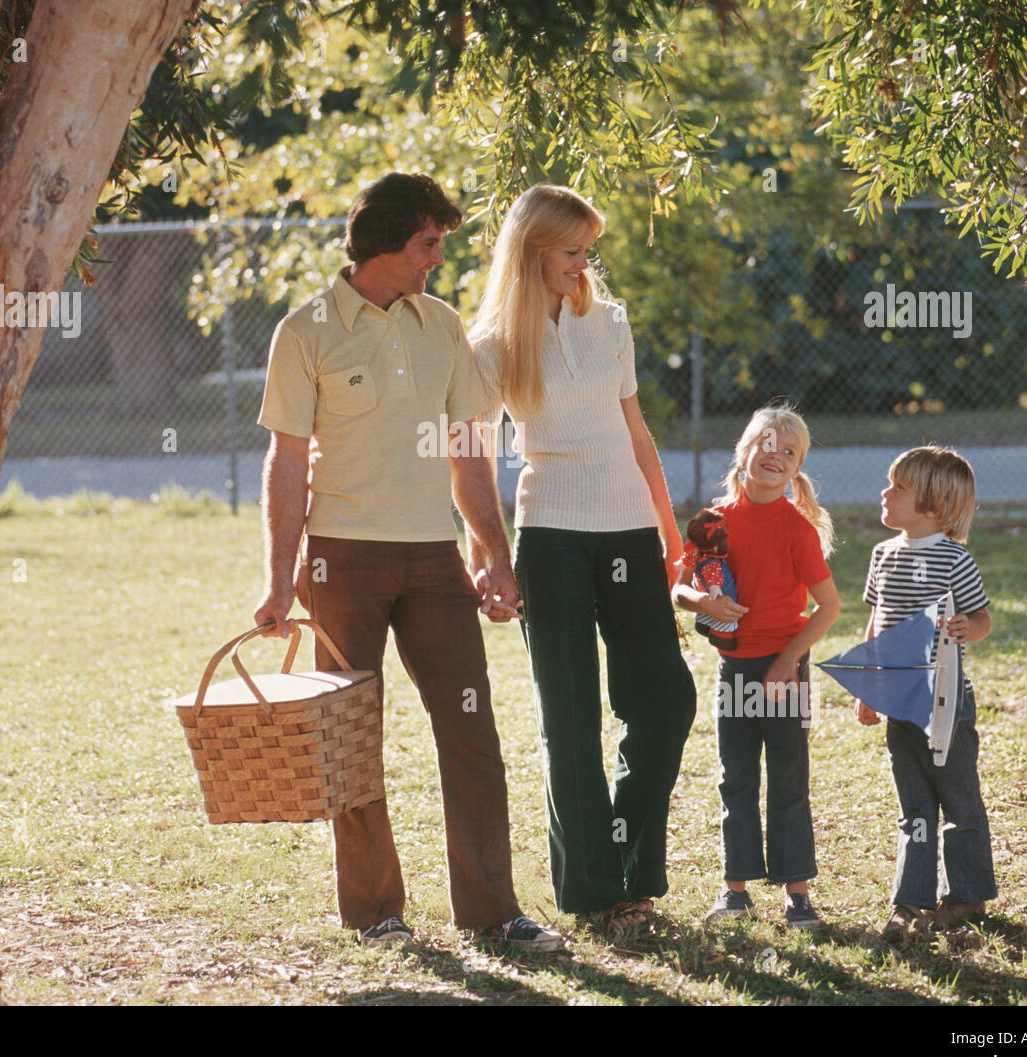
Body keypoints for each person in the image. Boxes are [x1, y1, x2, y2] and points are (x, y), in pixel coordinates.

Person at [253, 172, 560, 950]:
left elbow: (468, 450)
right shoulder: (306, 330)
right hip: (340, 563)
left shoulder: (442, 326)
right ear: (388, 240)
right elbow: (286, 463)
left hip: (433, 561)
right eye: (429, 243)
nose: (436, 259)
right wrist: (277, 579)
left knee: (471, 732)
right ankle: (375, 912)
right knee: (351, 735)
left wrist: (494, 555)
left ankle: (492, 910)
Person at [468, 184, 695, 935]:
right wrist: (491, 555)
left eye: (587, 249)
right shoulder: (494, 344)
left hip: (630, 529)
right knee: (570, 720)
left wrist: (671, 537)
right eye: (572, 250)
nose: (583, 262)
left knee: (663, 703)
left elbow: (637, 436)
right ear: (533, 251)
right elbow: (468, 457)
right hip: (551, 537)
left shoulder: (612, 323)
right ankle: (599, 893)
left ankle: (633, 868)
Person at [673, 403, 840, 929]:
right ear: (744, 452)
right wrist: (705, 604)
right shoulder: (711, 522)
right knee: (736, 778)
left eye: (789, 452)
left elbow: (828, 607)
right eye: (767, 446)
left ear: (796, 469)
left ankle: (798, 895)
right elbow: (679, 588)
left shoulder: (797, 529)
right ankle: (735, 891)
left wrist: (789, 660)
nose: (777, 456)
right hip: (735, 670)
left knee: (789, 777)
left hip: (784, 671)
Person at [856, 446, 997, 941]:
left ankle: (966, 896)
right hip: (901, 701)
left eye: (898, 487)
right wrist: (869, 685)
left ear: (933, 508)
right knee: (913, 803)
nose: (885, 493)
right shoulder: (882, 555)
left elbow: (983, 620)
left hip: (945, 703)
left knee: (958, 797)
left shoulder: (955, 559)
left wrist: (966, 627)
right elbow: (876, 622)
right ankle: (911, 899)